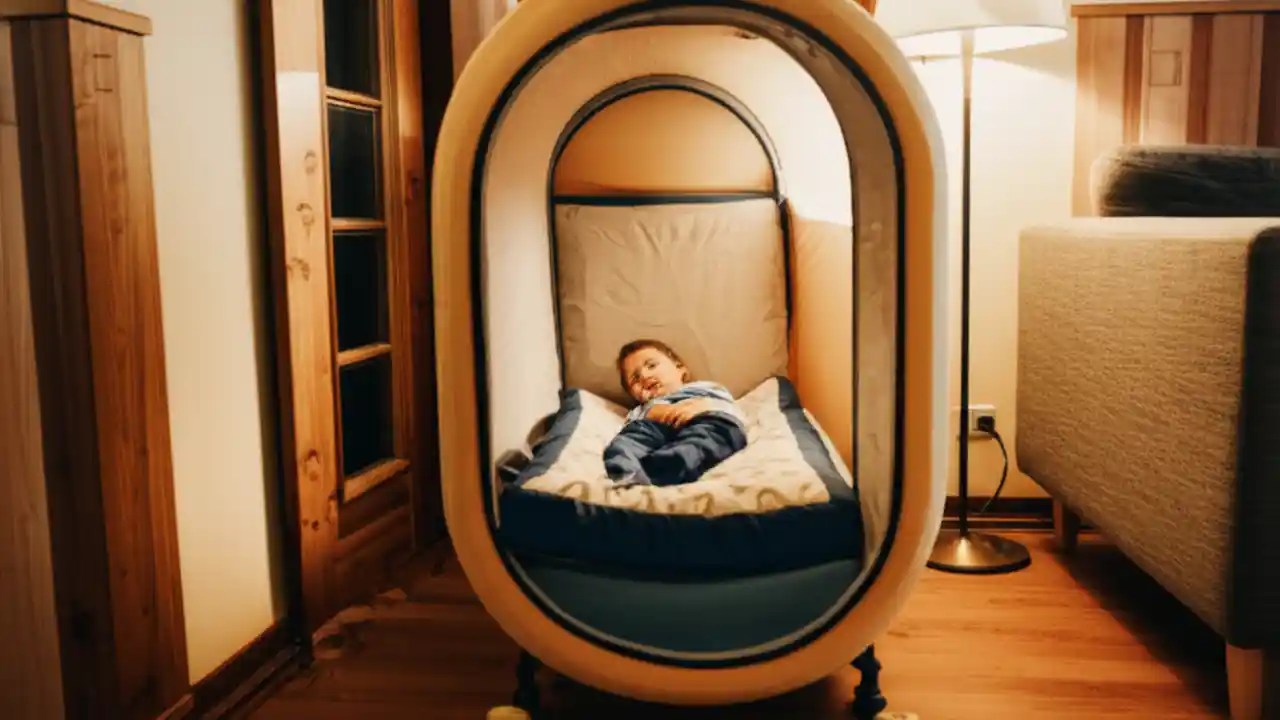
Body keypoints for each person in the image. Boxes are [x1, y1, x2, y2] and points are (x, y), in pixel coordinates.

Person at [604, 339, 748, 487]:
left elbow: (730, 409)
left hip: (701, 421)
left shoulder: (703, 388)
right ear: (633, 395)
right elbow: (630, 426)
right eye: (635, 378)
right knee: (624, 443)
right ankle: (626, 475)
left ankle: (668, 464)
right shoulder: (640, 409)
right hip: (655, 429)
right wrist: (652, 412)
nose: (644, 376)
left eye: (651, 365)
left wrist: (702, 406)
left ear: (680, 369)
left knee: (715, 433)